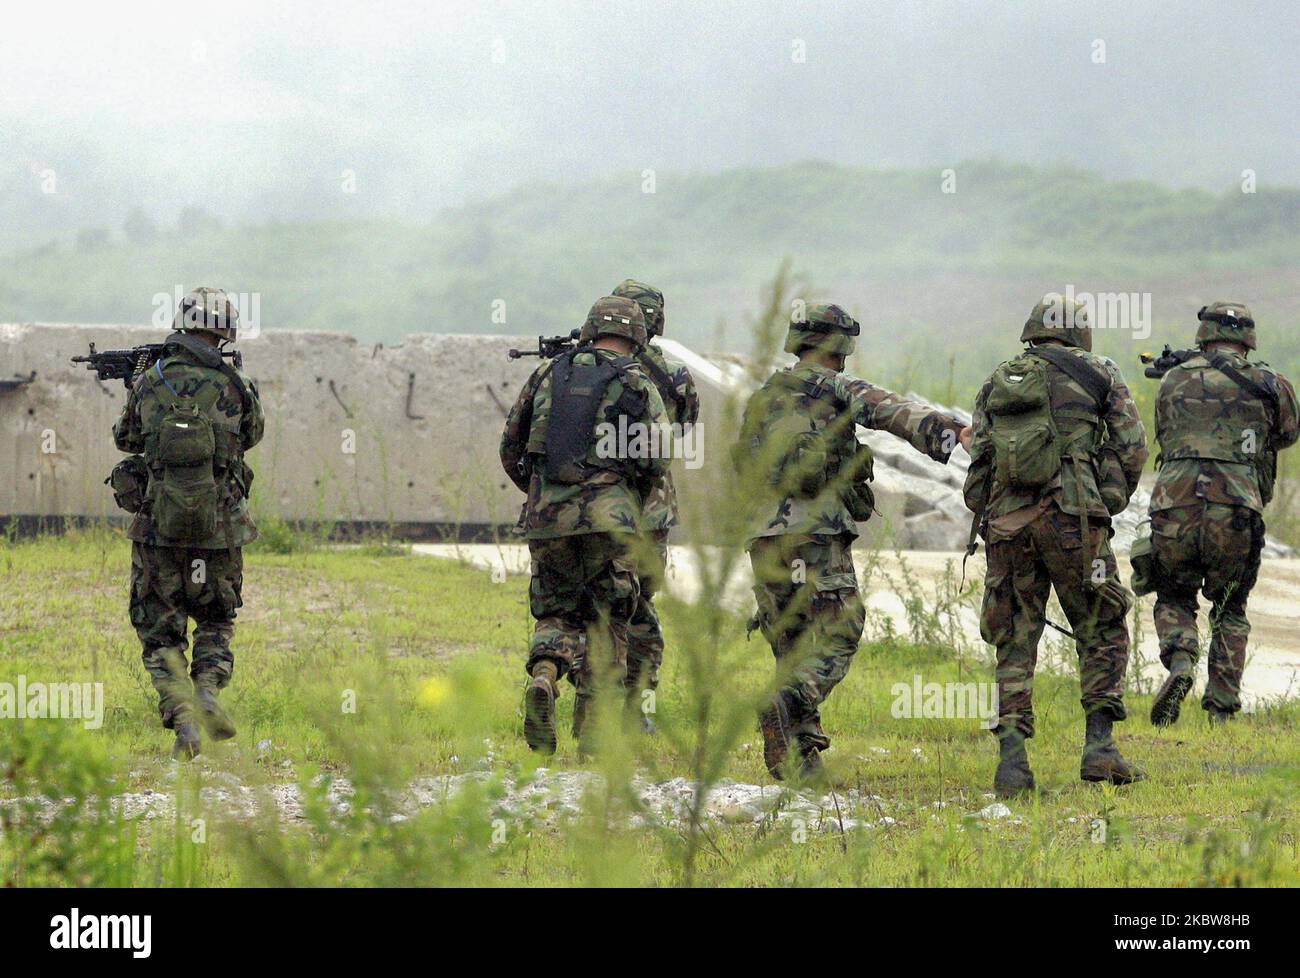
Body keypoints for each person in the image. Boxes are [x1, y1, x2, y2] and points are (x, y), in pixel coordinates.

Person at [737, 303, 967, 781]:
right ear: (839, 348)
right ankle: (787, 702)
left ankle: (802, 757)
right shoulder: (838, 388)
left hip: (763, 537)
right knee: (841, 627)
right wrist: (954, 433)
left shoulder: (763, 396)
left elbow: (743, 463)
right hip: (816, 533)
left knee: (792, 639)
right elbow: (895, 411)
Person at [965, 293, 1147, 797]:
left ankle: (1013, 763)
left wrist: (990, 514)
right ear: (1079, 332)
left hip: (1008, 525)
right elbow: (1132, 448)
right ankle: (1100, 748)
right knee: (1102, 623)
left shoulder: (999, 378)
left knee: (1014, 635)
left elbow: (980, 455)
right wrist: (1103, 499)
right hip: (1075, 524)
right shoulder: (1101, 372)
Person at [499, 296, 669, 755]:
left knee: (556, 611)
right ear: (637, 336)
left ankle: (545, 675)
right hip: (609, 523)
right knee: (608, 620)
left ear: (590, 328)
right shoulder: (637, 380)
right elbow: (657, 459)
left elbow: (510, 446)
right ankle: (593, 739)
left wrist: (540, 495)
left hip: (547, 521)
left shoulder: (547, 373)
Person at [112, 287, 264, 759]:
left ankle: (181, 718)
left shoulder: (152, 380)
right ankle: (208, 693)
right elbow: (252, 434)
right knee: (217, 618)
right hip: (219, 532)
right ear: (226, 329)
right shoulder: (234, 383)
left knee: (161, 630)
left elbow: (125, 438)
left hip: (160, 530)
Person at [1146, 302, 1299, 727]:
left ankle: (1180, 660)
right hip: (1236, 506)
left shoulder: (1173, 378)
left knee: (1174, 595)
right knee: (1230, 608)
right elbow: (1287, 433)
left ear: (1203, 334)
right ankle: (1220, 710)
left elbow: (1165, 431)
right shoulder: (1270, 382)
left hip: (1174, 503)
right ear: (1248, 338)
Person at [609, 279, 700, 732]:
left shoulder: (592, 367)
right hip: (651, 510)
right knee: (641, 603)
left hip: (598, 506)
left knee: (598, 601)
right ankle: (637, 709)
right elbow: (684, 429)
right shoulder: (673, 375)